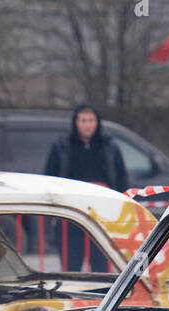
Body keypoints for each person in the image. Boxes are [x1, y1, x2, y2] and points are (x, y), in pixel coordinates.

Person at [43, 103, 126, 271]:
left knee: (101, 265)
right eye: (83, 120)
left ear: (97, 122)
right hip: (70, 214)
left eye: (91, 120)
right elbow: (49, 178)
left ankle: (102, 296)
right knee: (71, 265)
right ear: (75, 122)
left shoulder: (109, 147)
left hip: (102, 214)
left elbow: (121, 178)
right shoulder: (62, 147)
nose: (87, 124)